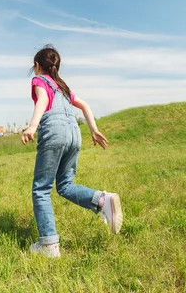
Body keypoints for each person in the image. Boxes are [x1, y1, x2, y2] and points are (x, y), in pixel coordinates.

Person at [21, 45, 123, 258]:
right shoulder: (63, 87)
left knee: (41, 189)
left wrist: (32, 126)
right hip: (74, 134)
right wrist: (93, 131)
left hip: (55, 131)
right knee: (65, 185)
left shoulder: (39, 81)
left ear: (38, 66)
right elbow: (84, 105)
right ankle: (102, 200)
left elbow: (42, 100)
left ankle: (48, 245)